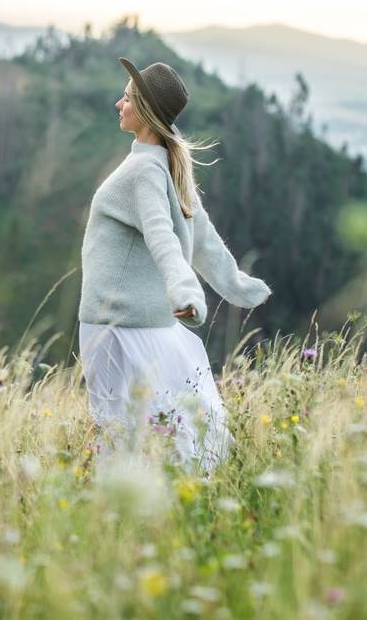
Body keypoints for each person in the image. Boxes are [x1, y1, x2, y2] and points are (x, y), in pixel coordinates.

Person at [78, 57, 272, 475]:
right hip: (140, 326)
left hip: (115, 328)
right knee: (156, 431)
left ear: (145, 111)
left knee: (122, 438)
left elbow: (165, 238)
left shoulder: (144, 171)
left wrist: (186, 293)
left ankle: (120, 519)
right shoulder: (164, 163)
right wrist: (237, 286)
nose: (118, 103)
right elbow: (201, 238)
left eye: (127, 98)